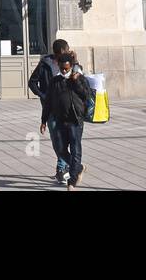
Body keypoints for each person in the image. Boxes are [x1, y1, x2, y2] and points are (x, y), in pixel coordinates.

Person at [29, 38, 83, 183]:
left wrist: (76, 62)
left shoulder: (72, 63)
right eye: (63, 52)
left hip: (70, 111)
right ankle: (74, 167)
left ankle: (64, 170)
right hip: (52, 110)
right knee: (58, 144)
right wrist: (44, 96)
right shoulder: (45, 64)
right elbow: (32, 82)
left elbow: (81, 81)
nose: (66, 54)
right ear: (57, 53)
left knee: (71, 142)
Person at [40, 50, 89, 190]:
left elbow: (86, 95)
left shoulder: (79, 78)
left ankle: (71, 182)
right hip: (60, 120)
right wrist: (43, 120)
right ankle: (78, 167)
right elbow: (48, 101)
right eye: (61, 68)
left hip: (75, 120)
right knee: (60, 149)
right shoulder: (55, 81)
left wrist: (76, 83)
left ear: (71, 66)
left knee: (75, 150)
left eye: (66, 68)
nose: (63, 71)